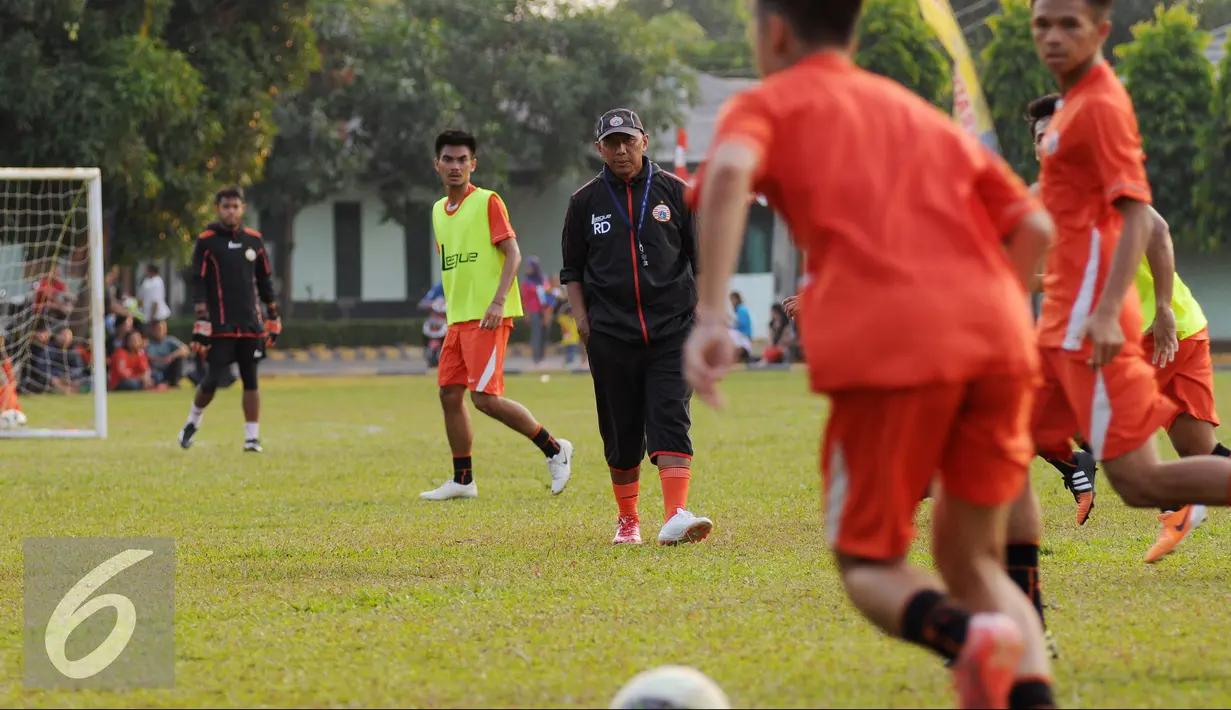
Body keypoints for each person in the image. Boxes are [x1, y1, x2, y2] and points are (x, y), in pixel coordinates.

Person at [681, 1, 1059, 707]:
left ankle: (966, 638)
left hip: (895, 347)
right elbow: (1034, 223)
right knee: (976, 567)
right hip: (999, 343)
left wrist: (709, 316)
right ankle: (1017, 674)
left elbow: (728, 175)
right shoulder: (914, 114)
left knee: (868, 562)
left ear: (775, 32)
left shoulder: (767, 104)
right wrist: (980, 321)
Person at [1024, 93, 1227, 563]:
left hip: (1158, 330)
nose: (1048, 141)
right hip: (1168, 330)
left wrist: (1161, 308)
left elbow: (1157, 232)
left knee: (1088, 430)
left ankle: (1161, 499)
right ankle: (1171, 504)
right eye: (1039, 136)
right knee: (1199, 453)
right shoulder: (1049, 198)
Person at [560, 108, 713, 546]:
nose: (621, 149)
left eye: (629, 140)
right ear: (599, 149)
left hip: (673, 330)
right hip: (610, 335)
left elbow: (700, 262)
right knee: (621, 429)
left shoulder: (677, 193)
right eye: (612, 143)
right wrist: (584, 324)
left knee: (671, 417)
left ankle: (676, 515)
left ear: (645, 140)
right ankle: (628, 520)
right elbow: (572, 270)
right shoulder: (584, 202)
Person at [420, 129, 573, 501]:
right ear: (437, 165)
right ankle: (463, 480)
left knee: (485, 399)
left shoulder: (488, 201)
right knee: (448, 394)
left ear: (473, 164)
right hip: (459, 319)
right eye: (448, 159)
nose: (455, 166)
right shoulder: (439, 211)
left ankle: (555, 449)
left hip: (489, 316)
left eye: (462, 160)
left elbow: (513, 253)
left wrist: (498, 301)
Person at [178, 185, 281, 452]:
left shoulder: (254, 241)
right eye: (226, 206)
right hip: (220, 324)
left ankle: (252, 438)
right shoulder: (206, 241)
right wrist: (201, 320)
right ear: (218, 209)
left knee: (251, 379)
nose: (231, 211)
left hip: (250, 324)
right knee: (212, 379)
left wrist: (273, 315)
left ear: (242, 209)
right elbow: (198, 282)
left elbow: (265, 281)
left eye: (235, 206)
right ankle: (192, 422)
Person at [146, 319, 190, 387]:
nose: (158, 331)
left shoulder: (170, 340)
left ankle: (176, 382)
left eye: (160, 329)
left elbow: (185, 349)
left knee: (179, 358)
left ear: (165, 330)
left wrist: (171, 356)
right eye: (156, 329)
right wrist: (161, 360)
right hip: (154, 371)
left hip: (168, 369)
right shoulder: (148, 344)